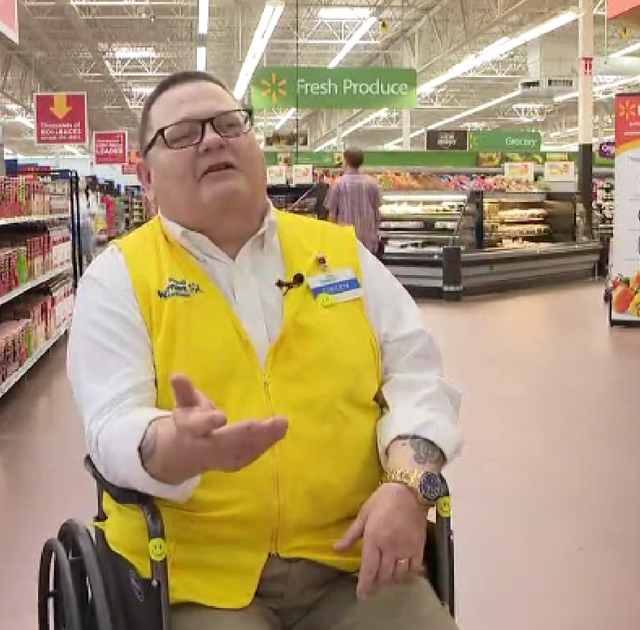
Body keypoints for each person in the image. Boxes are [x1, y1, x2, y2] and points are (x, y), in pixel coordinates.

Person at [66, 70, 463, 630]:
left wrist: (408, 486)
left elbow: (416, 374)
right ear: (146, 177)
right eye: (183, 133)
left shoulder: (339, 254)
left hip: (356, 561)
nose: (212, 140)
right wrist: (174, 444)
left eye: (230, 124)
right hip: (192, 579)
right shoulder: (118, 279)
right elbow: (110, 421)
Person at [325, 148, 384, 256]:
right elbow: (377, 213)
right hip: (368, 241)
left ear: (346, 162)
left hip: (345, 242)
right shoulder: (372, 183)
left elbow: (332, 216)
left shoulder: (338, 184)